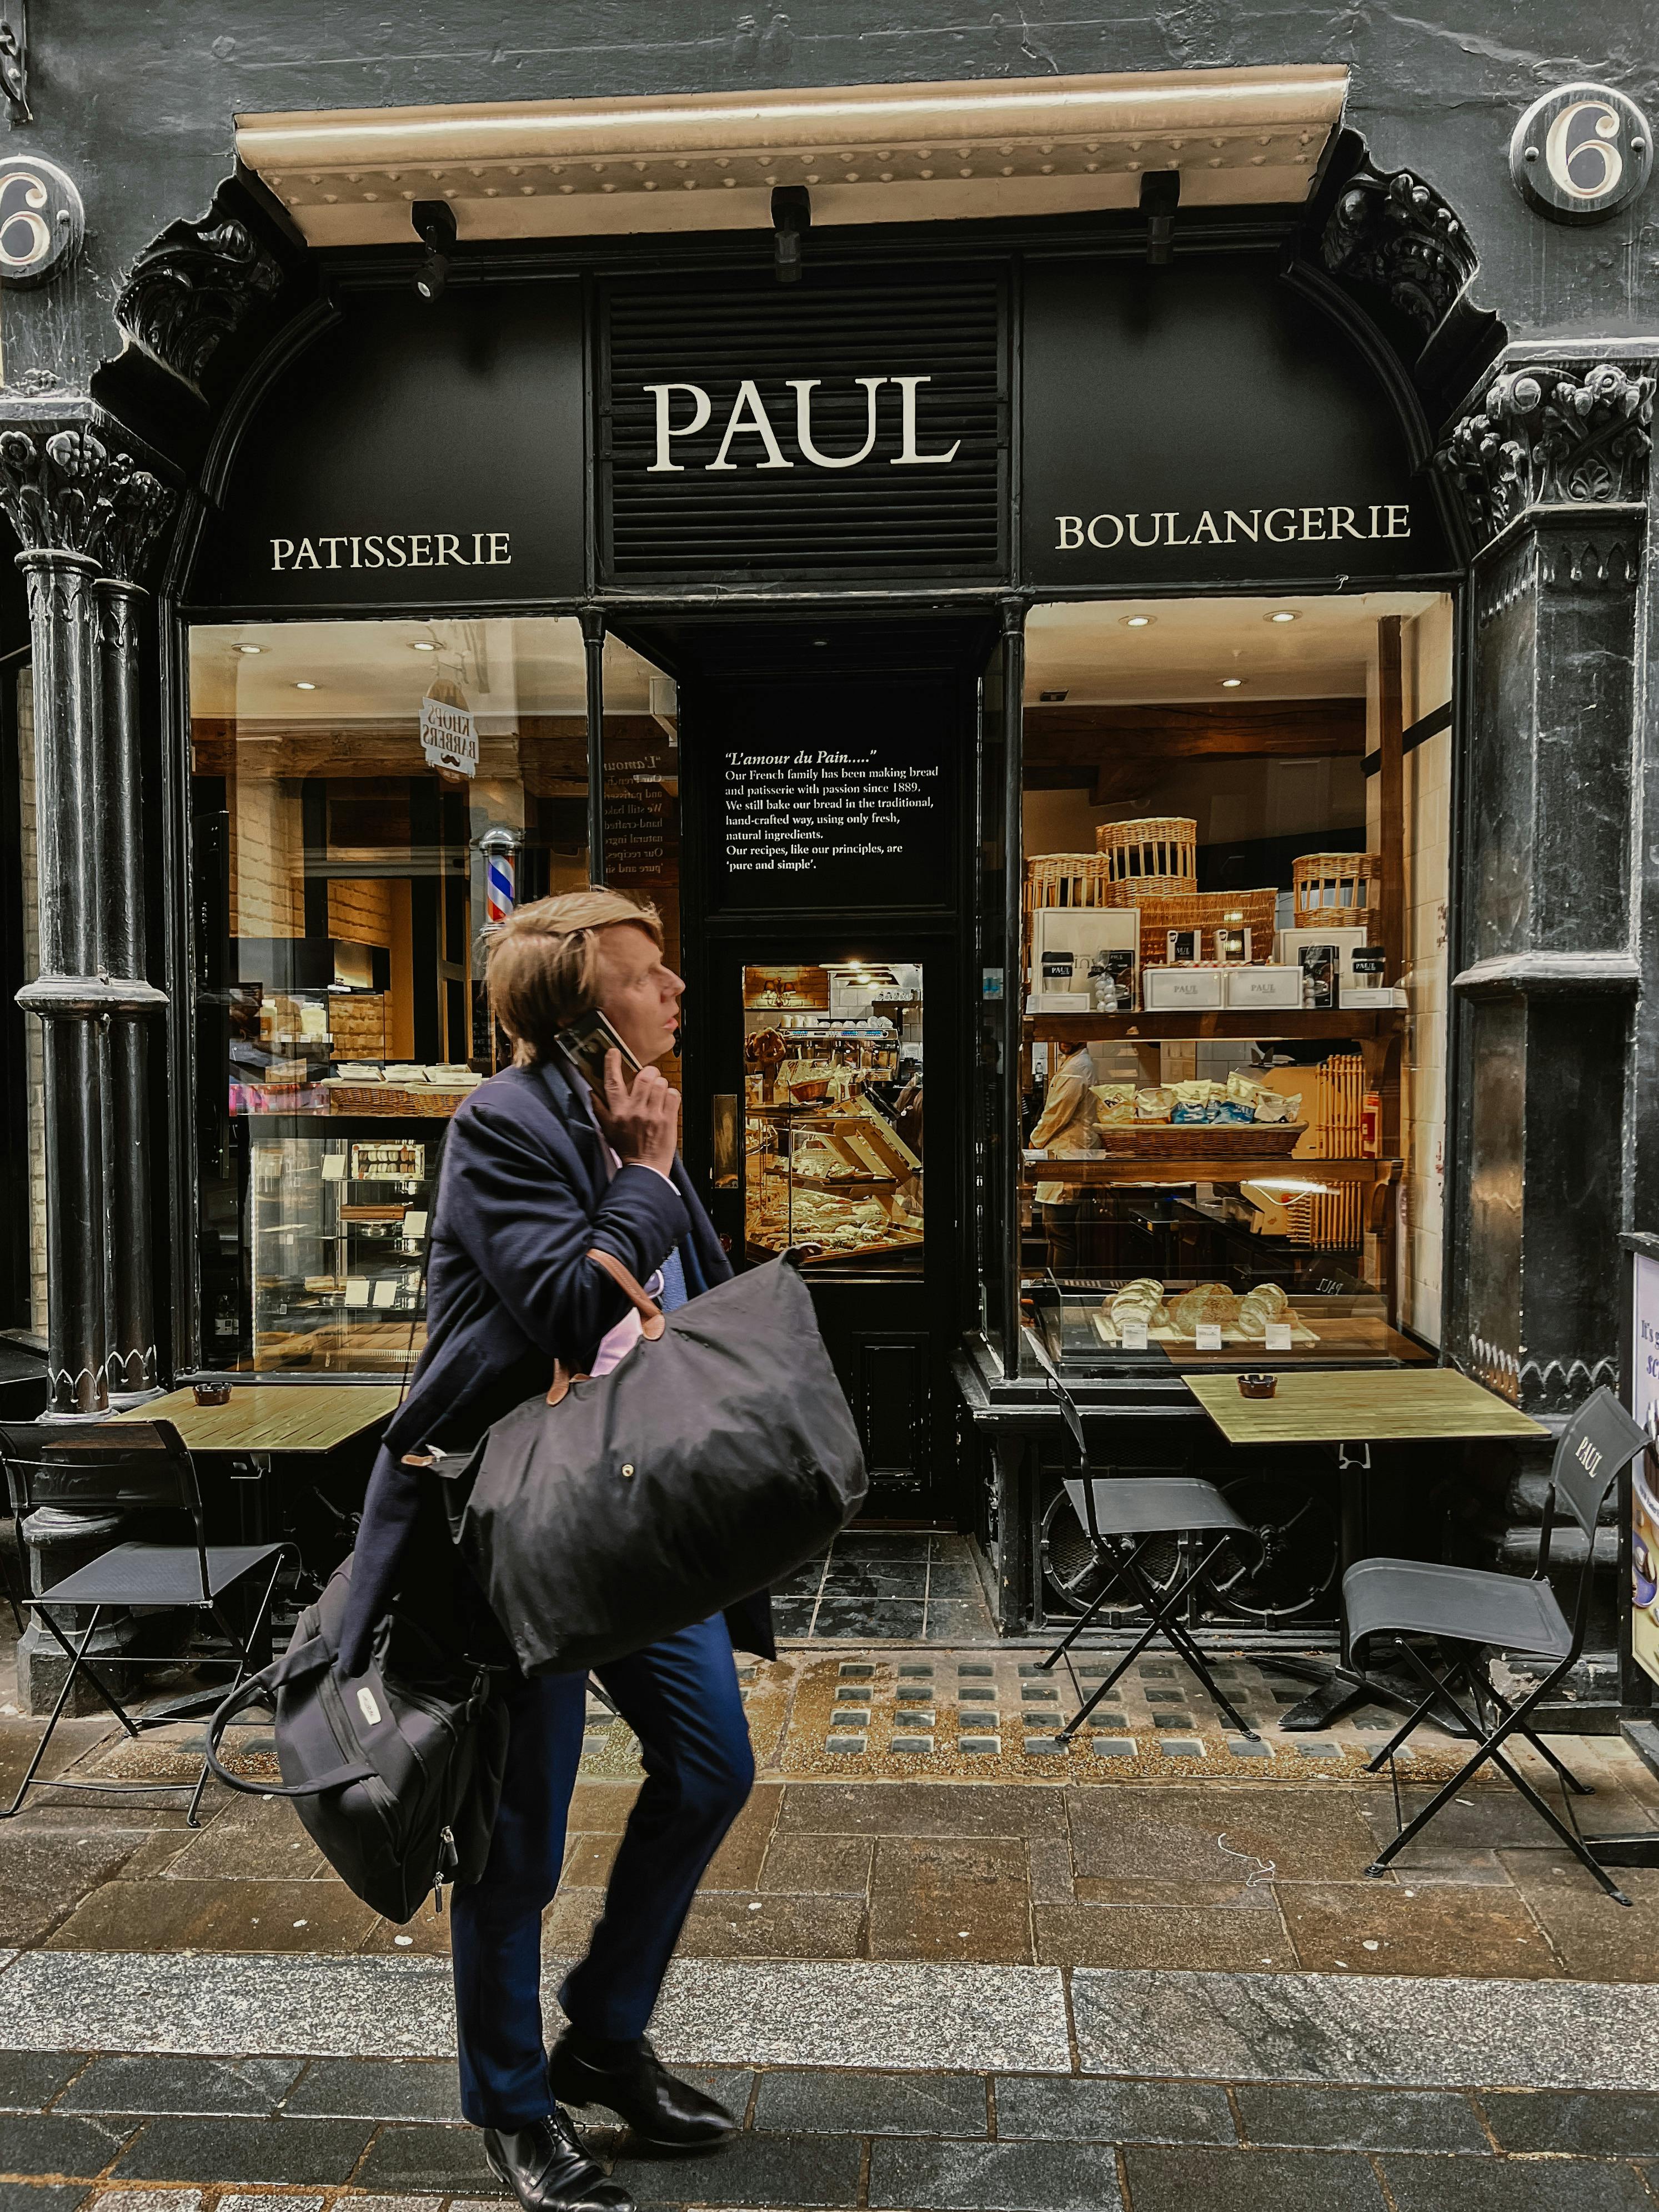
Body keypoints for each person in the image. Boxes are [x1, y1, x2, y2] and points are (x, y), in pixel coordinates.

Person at [341, 888, 766, 2212]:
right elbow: (569, 1304)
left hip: (636, 1514)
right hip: (519, 1526)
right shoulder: (501, 1124)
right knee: (516, 1839)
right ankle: (515, 2103)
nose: (678, 989)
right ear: (588, 1015)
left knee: (709, 1766)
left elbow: (685, 1303)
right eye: (650, 975)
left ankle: (603, 2029)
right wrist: (645, 1178)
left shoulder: (640, 1110)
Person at [1029, 1040, 1100, 1273]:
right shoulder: (1075, 1064)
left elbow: (1056, 1115)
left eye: (1071, 1035)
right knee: (1056, 1233)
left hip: (1067, 1158)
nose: (1064, 1040)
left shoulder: (1077, 1069)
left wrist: (1035, 1141)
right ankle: (1050, 1288)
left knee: (1060, 1234)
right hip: (1065, 1156)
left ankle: (1058, 1292)